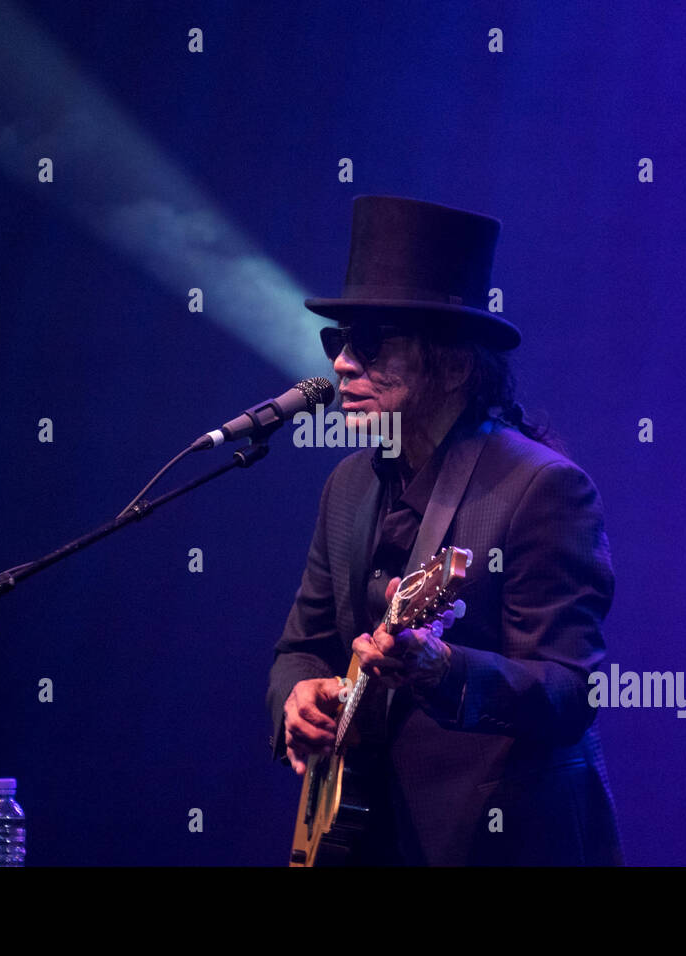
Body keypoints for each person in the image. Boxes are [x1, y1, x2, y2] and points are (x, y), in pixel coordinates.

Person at [266, 195, 623, 865]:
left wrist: (444, 668)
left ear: (454, 366)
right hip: (362, 837)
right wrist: (297, 696)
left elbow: (573, 691)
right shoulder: (347, 483)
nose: (342, 364)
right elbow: (301, 645)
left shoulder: (542, 488)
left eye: (370, 345)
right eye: (338, 342)